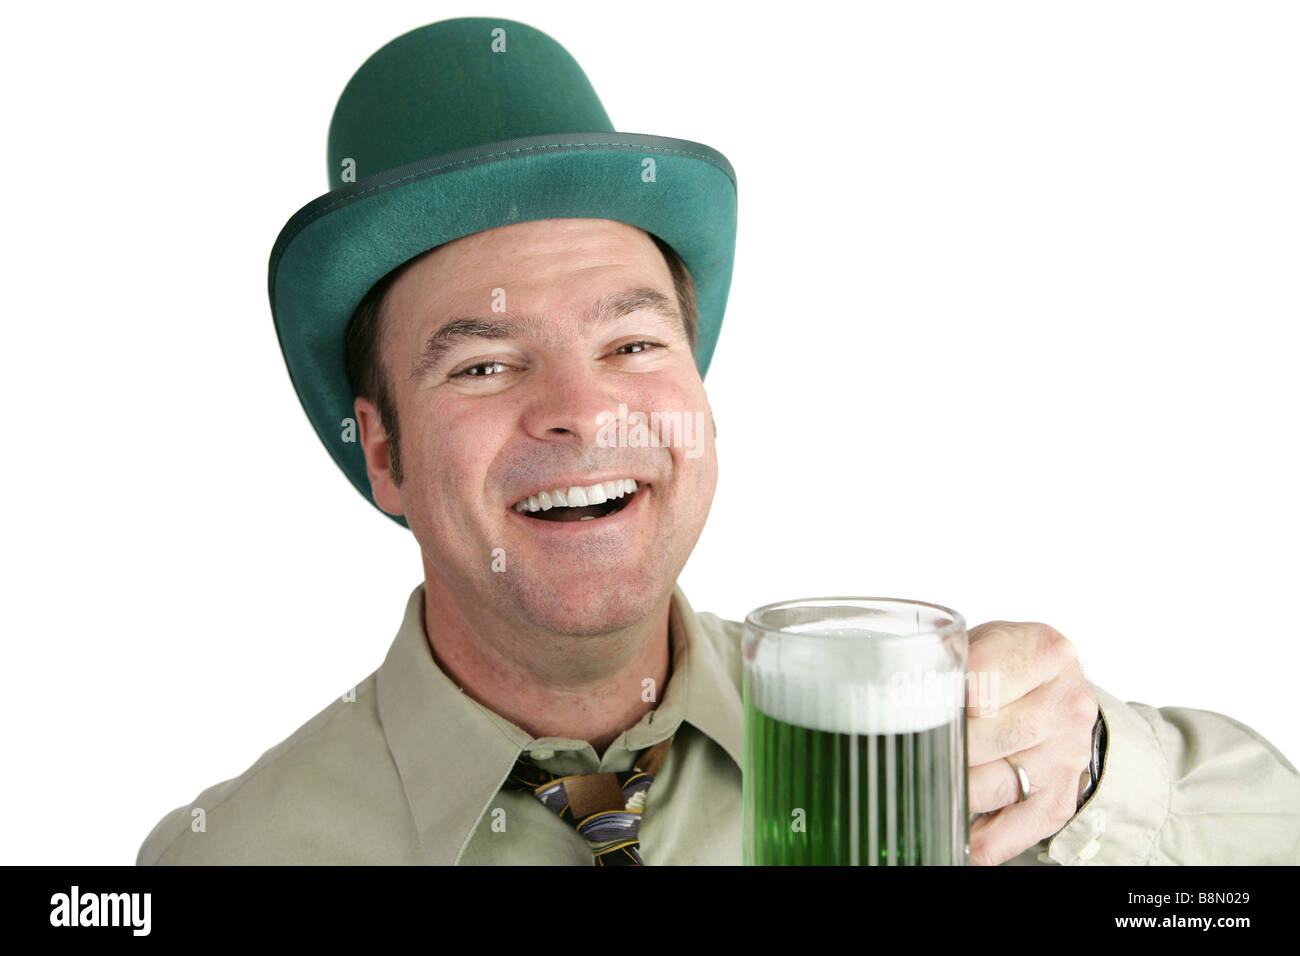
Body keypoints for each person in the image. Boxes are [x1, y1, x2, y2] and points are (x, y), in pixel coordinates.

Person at [136, 17, 1300, 866]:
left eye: (633, 345)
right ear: (382, 452)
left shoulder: (899, 743)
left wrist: (1090, 769)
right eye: (484, 364)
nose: (586, 415)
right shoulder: (222, 859)